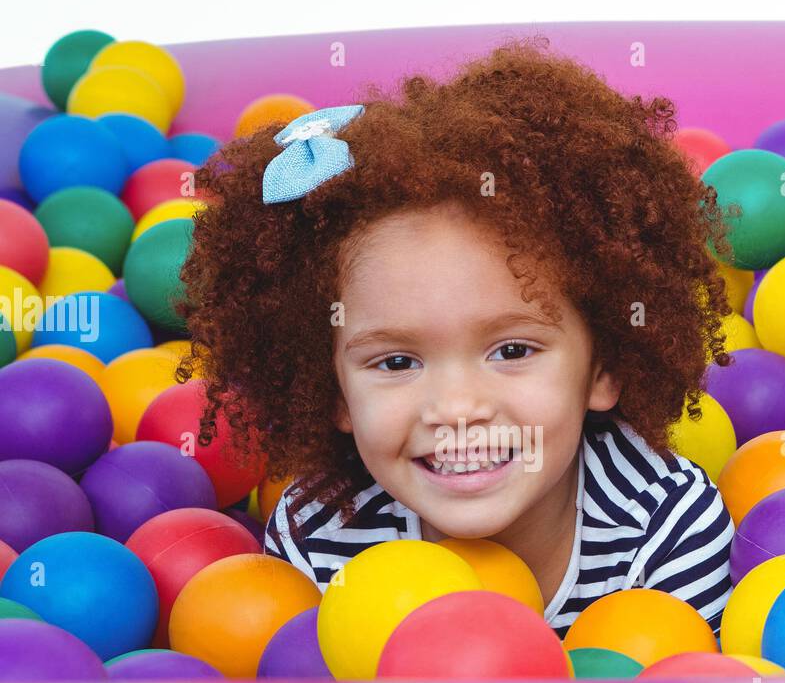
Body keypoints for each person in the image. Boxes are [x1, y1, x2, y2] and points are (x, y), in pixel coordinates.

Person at [176, 36, 735, 641]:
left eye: (512, 351)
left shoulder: (666, 527)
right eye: (395, 361)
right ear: (332, 390)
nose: (457, 408)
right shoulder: (320, 537)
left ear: (603, 366)